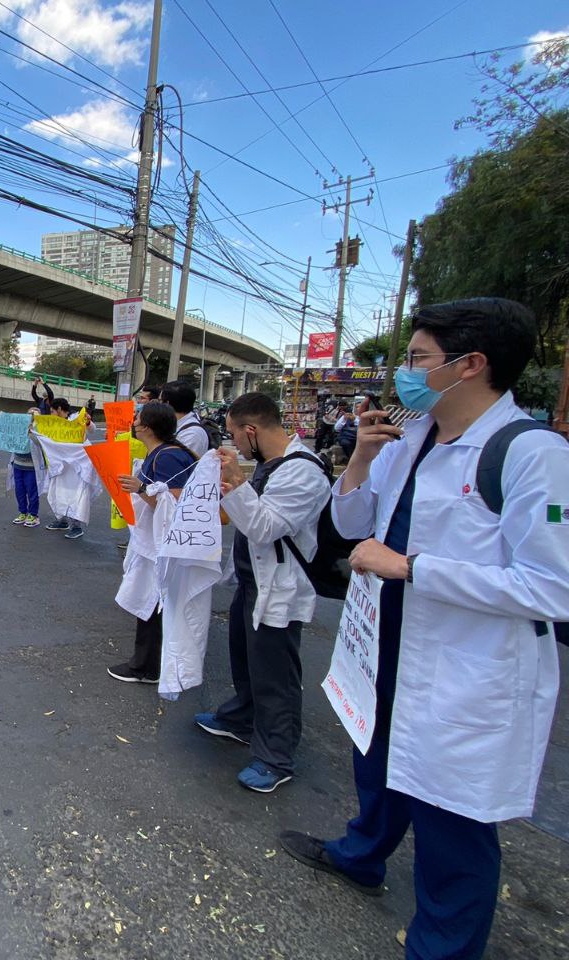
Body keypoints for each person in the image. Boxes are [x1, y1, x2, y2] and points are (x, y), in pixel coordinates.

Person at [277, 299, 569, 960]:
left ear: (471, 366)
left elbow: (553, 587)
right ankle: (362, 854)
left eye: (416, 360)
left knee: (452, 821)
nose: (402, 375)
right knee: (375, 760)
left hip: (467, 668)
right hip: (388, 643)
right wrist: (357, 462)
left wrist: (413, 568)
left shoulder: (529, 454)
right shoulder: (411, 437)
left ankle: (441, 948)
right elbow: (353, 527)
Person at [194, 392, 331, 793]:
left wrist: (236, 482)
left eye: (235, 434)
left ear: (251, 430)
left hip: (280, 591)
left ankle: (276, 756)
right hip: (253, 582)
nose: (234, 442)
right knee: (247, 659)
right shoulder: (273, 465)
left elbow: (265, 527)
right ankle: (241, 718)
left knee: (275, 674)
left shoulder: (303, 472)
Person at [109, 402, 199, 684]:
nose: (133, 422)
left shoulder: (167, 457)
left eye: (137, 418)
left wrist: (140, 488)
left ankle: (146, 666)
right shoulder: (166, 452)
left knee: (153, 602)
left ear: (146, 426)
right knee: (154, 602)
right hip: (159, 542)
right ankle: (150, 664)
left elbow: (174, 501)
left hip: (162, 545)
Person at [43, 398, 91, 540]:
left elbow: (91, 428)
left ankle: (76, 526)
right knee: (60, 492)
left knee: (76, 495)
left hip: (76, 467)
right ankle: (62, 520)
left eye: (52, 411)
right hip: (61, 466)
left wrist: (87, 421)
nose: (51, 414)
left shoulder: (75, 418)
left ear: (58, 409)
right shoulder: (52, 425)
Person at [9, 406, 41, 528]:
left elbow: (41, 443)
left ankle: (34, 515)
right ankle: (23, 512)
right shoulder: (19, 426)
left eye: (34, 414)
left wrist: (31, 431)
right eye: (29, 413)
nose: (31, 416)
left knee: (32, 491)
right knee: (19, 491)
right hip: (18, 464)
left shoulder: (40, 428)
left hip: (31, 466)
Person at [160, 380, 210, 456]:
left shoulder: (192, 434)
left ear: (167, 403)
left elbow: (177, 463)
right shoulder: (176, 426)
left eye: (160, 400)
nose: (157, 405)